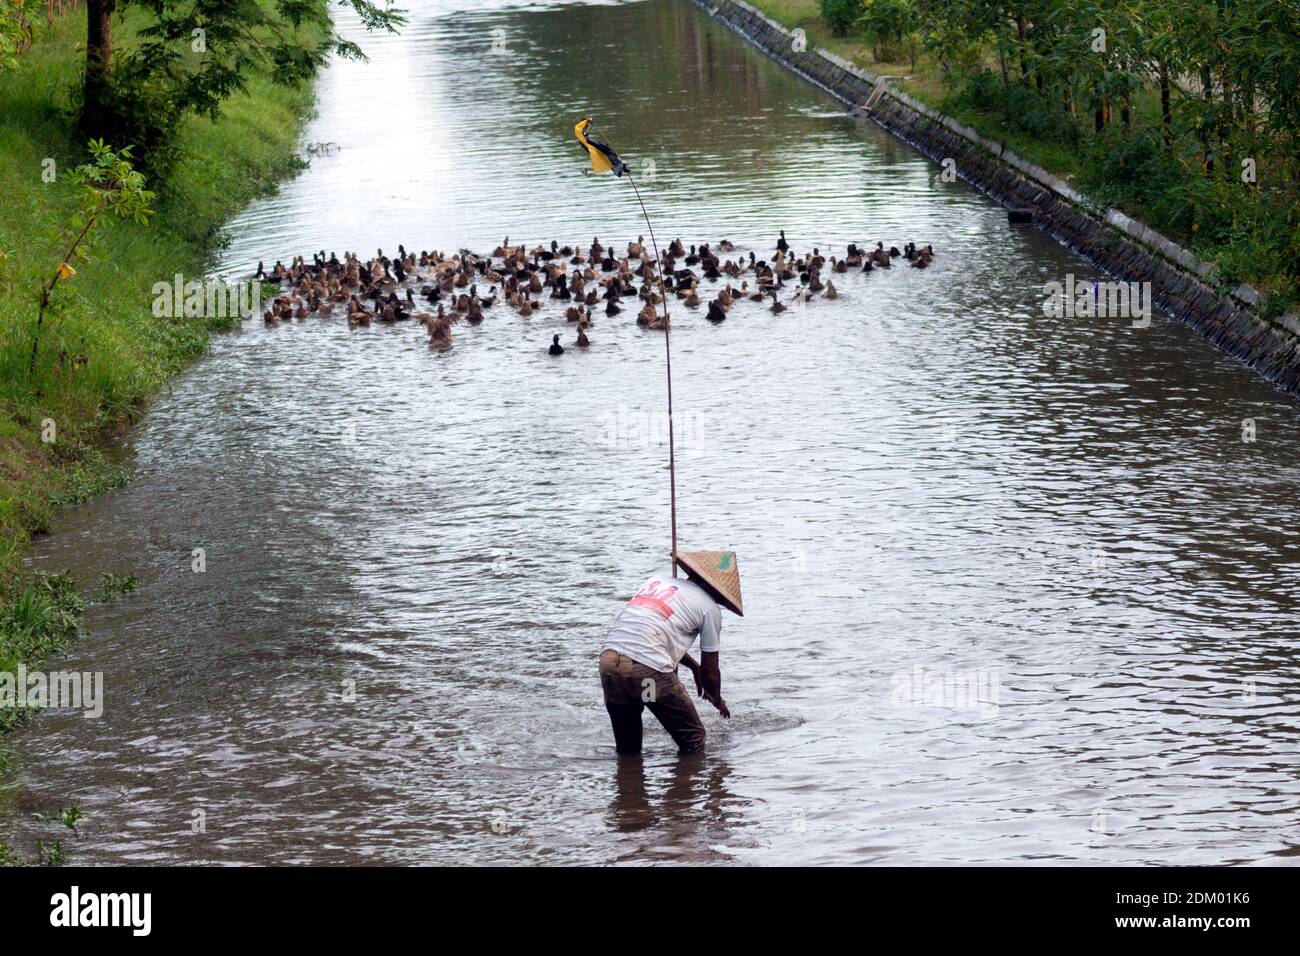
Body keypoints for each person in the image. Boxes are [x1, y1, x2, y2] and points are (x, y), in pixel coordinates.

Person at [599, 550, 743, 755]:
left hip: (609, 664)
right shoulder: (710, 609)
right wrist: (717, 699)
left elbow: (652, 635)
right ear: (718, 591)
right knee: (693, 737)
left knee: (628, 747)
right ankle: (684, 784)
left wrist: (693, 667)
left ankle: (629, 783)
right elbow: (711, 672)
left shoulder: (657, 581)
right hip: (645, 673)